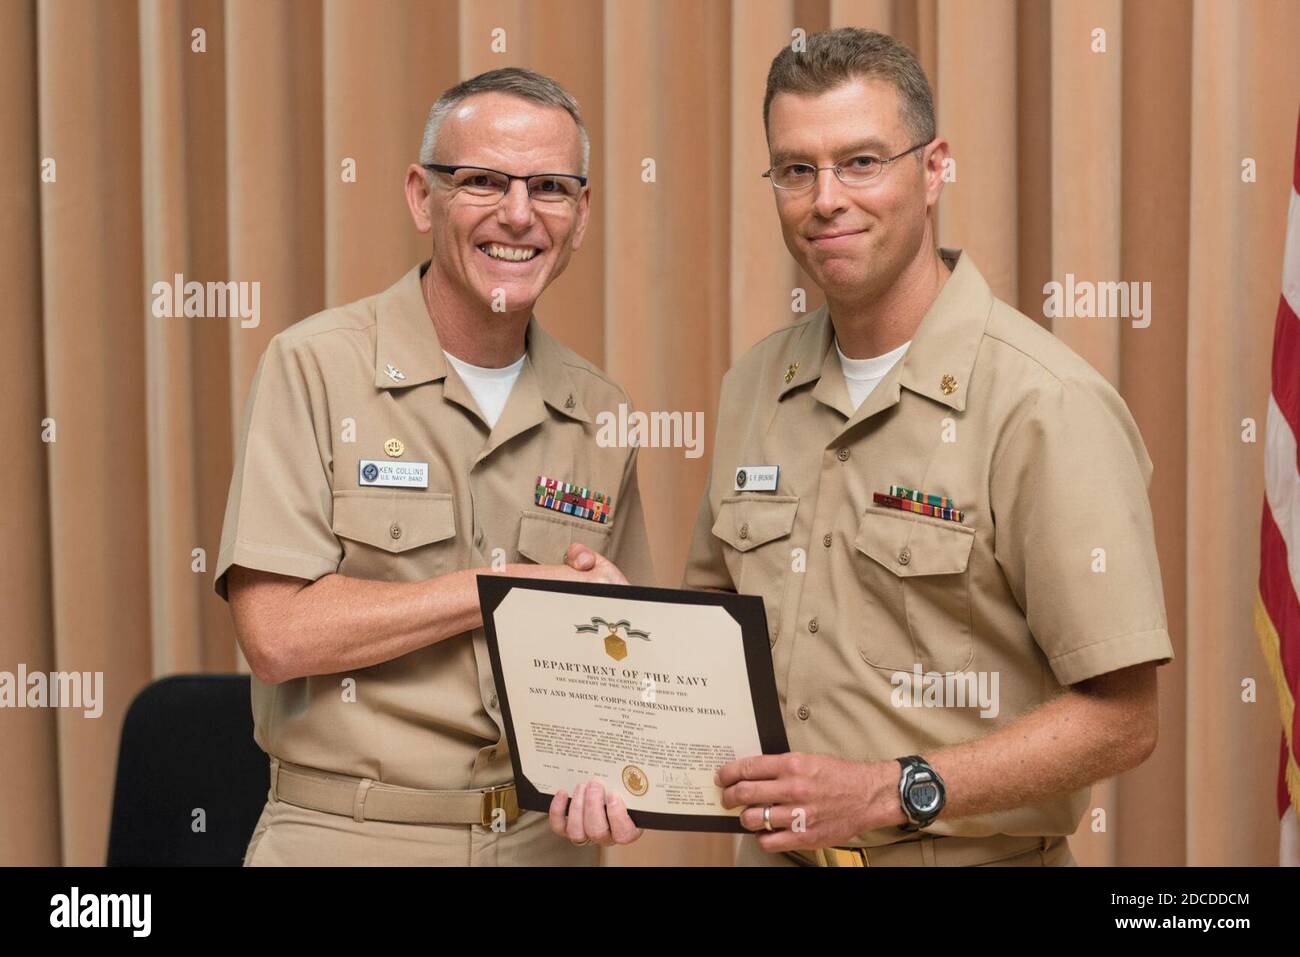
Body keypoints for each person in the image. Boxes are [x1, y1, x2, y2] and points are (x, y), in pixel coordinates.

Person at [683, 28, 1174, 867]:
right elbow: (715, 636)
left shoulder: (1043, 404)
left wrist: (886, 788)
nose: (825, 198)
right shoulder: (755, 383)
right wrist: (609, 633)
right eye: (796, 169)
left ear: (935, 167)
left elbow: (1124, 718)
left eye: (862, 162)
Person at [217, 68, 649, 866]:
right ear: (422, 196)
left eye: (550, 187)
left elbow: (624, 659)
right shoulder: (313, 367)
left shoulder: (601, 410)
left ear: (580, 215)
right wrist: (504, 589)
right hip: (348, 835)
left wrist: (629, 776)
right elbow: (276, 634)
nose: (519, 215)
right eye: (483, 181)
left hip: (541, 843)